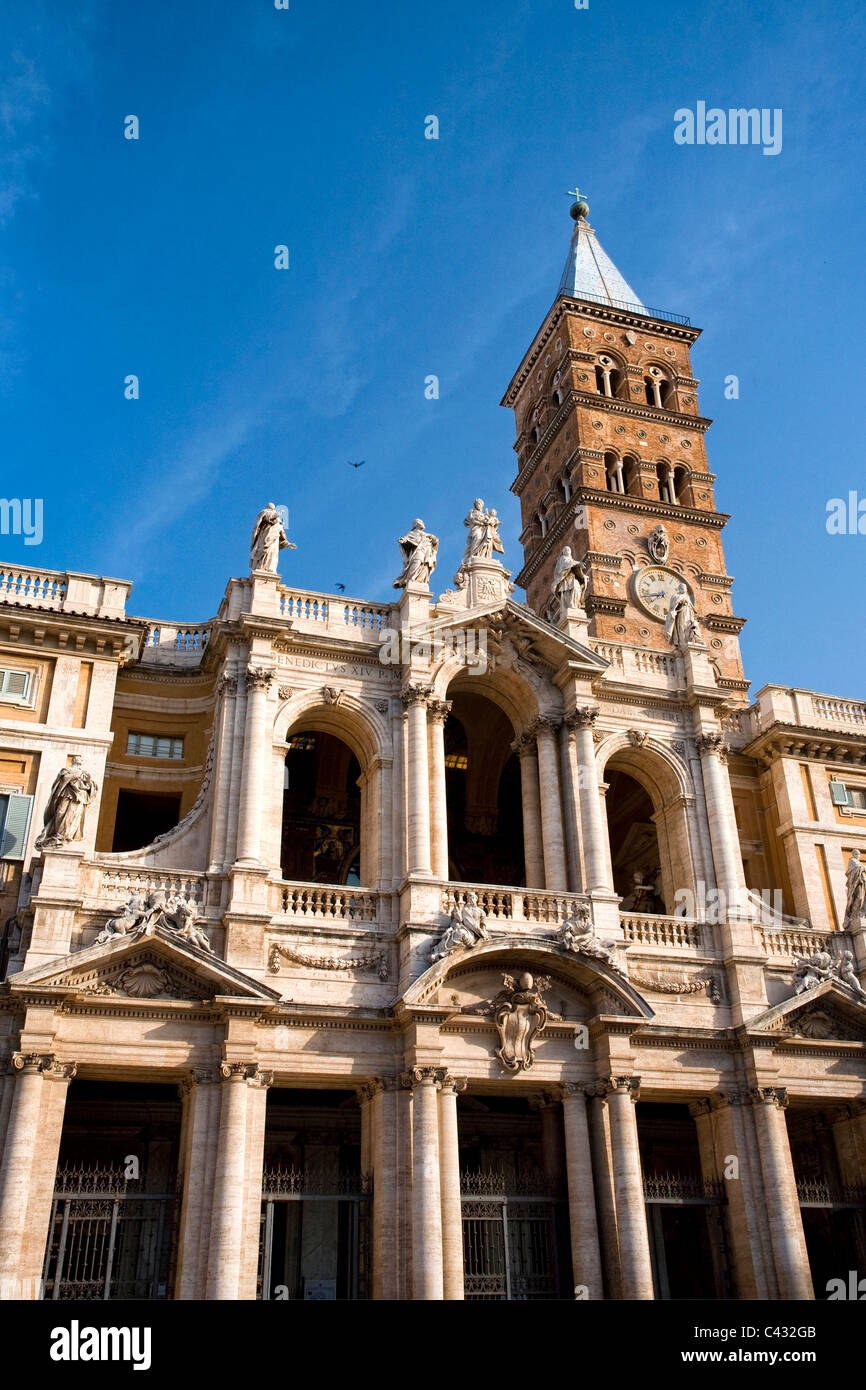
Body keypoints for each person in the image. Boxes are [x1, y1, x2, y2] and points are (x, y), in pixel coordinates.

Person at [35, 756, 98, 849]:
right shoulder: (66, 770)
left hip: (78, 798)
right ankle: (57, 834)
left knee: (72, 815)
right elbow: (60, 782)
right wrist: (73, 777)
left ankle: (65, 836)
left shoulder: (84, 773)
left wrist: (88, 782)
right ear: (73, 761)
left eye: (80, 760)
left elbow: (91, 787)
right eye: (77, 759)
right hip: (67, 795)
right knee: (60, 813)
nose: (79, 760)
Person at [250, 502, 295, 572]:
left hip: (275, 540)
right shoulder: (265, 512)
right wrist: (278, 514)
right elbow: (268, 517)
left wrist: (288, 544)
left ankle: (269, 569)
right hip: (265, 537)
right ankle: (261, 567)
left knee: (273, 554)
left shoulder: (278, 523)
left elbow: (282, 535)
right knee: (264, 552)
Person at [393, 519, 439, 588]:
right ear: (416, 524)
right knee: (417, 562)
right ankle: (410, 580)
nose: (423, 523)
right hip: (419, 551)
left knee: (425, 566)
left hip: (427, 553)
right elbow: (407, 539)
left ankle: (419, 581)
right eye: (421, 522)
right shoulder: (411, 533)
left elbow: (435, 542)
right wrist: (403, 541)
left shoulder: (426, 535)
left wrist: (432, 537)